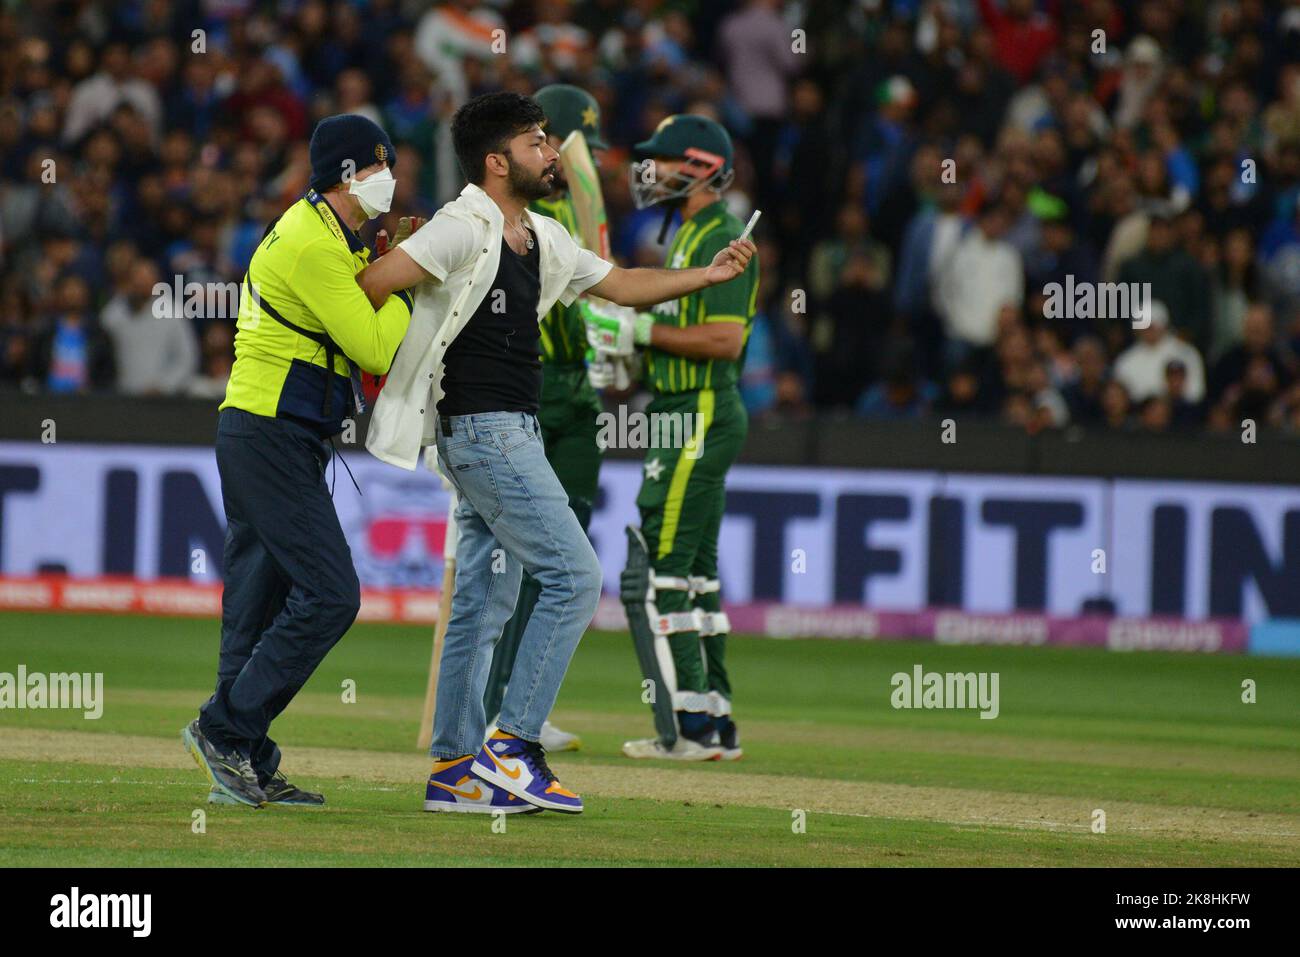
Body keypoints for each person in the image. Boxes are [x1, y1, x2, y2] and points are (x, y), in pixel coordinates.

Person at [358, 92, 755, 814]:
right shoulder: (459, 225)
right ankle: (512, 744)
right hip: (484, 430)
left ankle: (454, 769)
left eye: (548, 137)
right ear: (496, 161)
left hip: (505, 429)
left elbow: (622, 284)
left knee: (482, 601)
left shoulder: (541, 234)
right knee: (575, 575)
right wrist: (393, 367)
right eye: (537, 141)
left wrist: (707, 277)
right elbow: (371, 285)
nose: (553, 152)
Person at [181, 114, 414, 808]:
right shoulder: (315, 246)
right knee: (332, 592)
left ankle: (240, 760)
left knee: (254, 606)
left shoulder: (324, 235)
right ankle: (224, 728)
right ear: (348, 175)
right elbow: (375, 348)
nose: (389, 179)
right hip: (271, 433)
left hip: (267, 431)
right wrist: (407, 283)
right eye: (379, 166)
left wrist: (378, 262)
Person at [585, 114, 761, 761]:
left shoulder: (723, 234)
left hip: (699, 410)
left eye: (661, 161)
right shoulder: (691, 233)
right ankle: (713, 717)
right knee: (697, 571)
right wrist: (633, 356)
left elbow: (724, 339)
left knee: (663, 565)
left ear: (699, 167)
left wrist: (640, 335)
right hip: (683, 408)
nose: (649, 171)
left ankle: (685, 726)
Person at [479, 83, 612, 754]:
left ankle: (525, 704)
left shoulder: (570, 209)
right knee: (519, 564)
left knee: (565, 556)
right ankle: (496, 707)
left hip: (578, 395)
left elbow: (606, 275)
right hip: (522, 395)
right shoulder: (515, 212)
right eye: (549, 143)